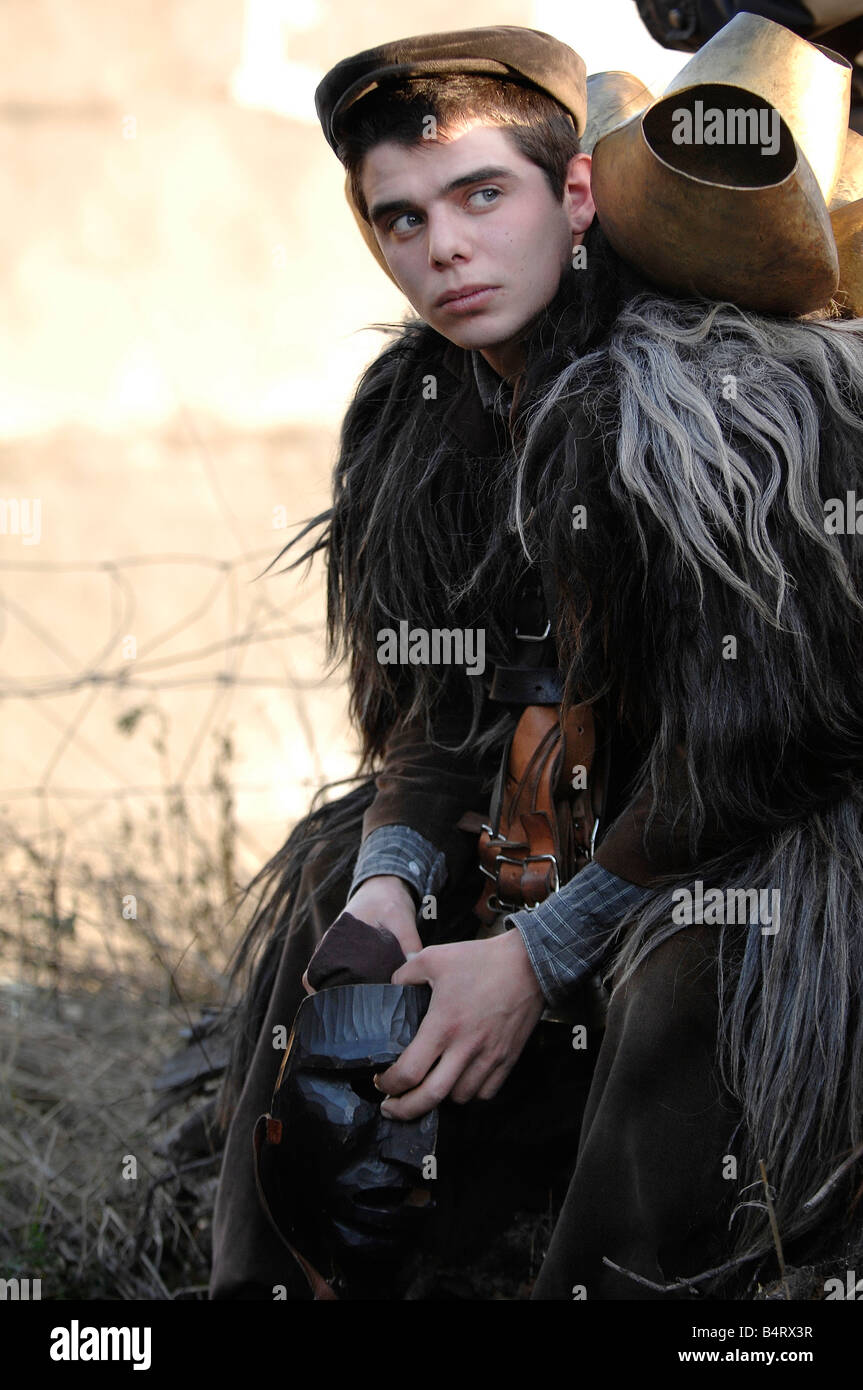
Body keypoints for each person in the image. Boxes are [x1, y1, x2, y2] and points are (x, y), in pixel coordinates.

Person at [210, 19, 863, 1300]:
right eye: (399, 220)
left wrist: (539, 950)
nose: (442, 247)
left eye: (478, 194)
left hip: (757, 842)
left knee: (700, 966)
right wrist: (391, 879)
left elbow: (758, 748)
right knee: (330, 911)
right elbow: (429, 707)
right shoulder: (416, 414)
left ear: (573, 194)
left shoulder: (708, 396)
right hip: (552, 829)